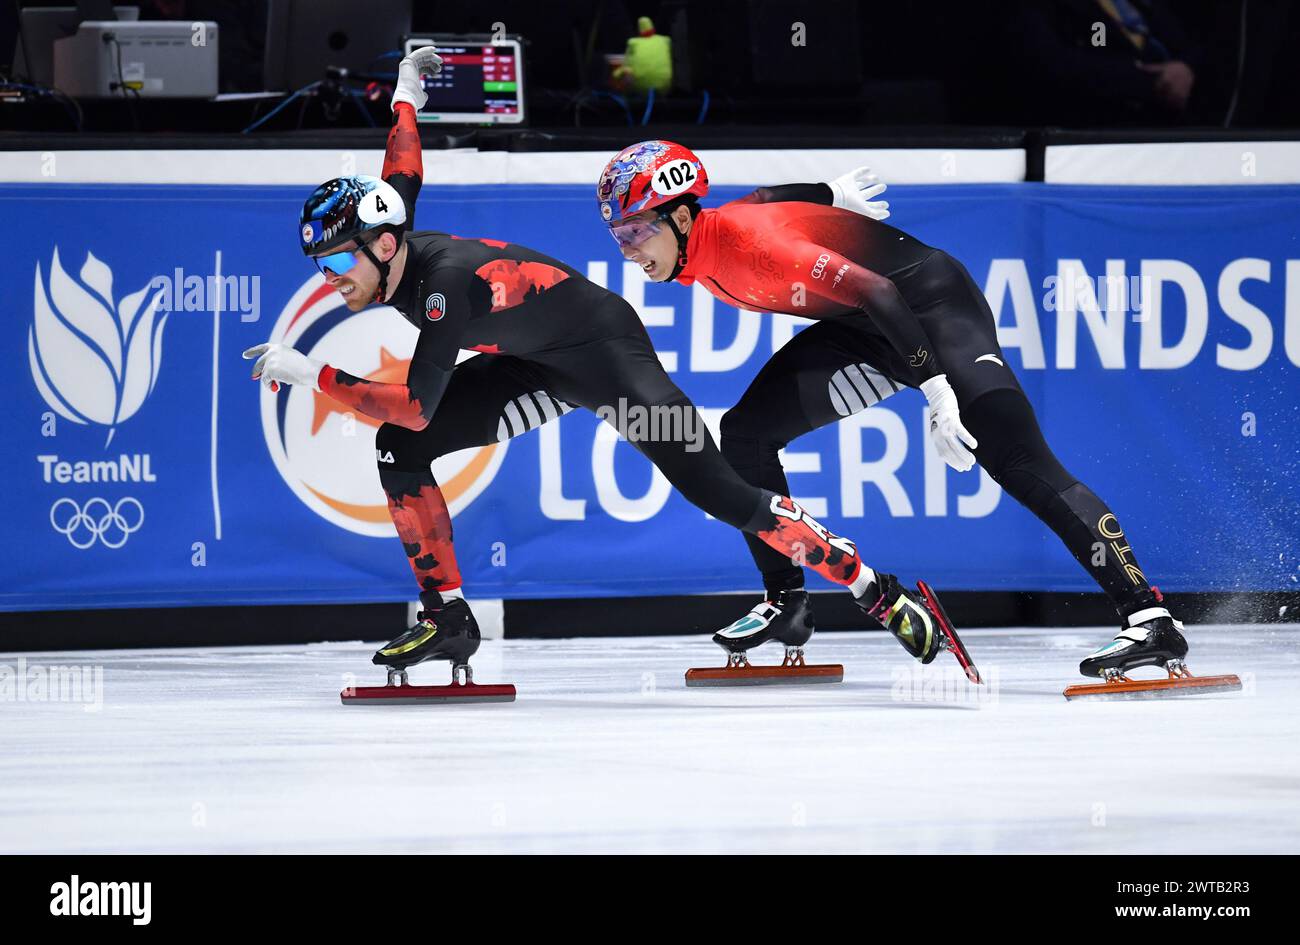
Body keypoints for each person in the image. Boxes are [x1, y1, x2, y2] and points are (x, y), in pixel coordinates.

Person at [242, 48, 974, 680]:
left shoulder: (441, 293)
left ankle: (872, 585)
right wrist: (405, 92)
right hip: (531, 360)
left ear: (384, 248)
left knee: (719, 490)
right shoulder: (389, 227)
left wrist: (308, 374)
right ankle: (449, 618)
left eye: (337, 259)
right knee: (400, 451)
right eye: (320, 261)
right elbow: (402, 164)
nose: (329, 275)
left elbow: (413, 403)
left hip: (605, 357)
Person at [595, 139, 1187, 681]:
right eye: (618, 237)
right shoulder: (707, 240)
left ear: (679, 215)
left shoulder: (752, 246)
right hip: (861, 330)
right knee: (745, 436)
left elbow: (879, 289)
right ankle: (788, 604)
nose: (629, 252)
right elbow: (769, 197)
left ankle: (1150, 617)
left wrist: (936, 391)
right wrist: (833, 196)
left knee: (1016, 458)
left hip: (929, 308)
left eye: (635, 233)